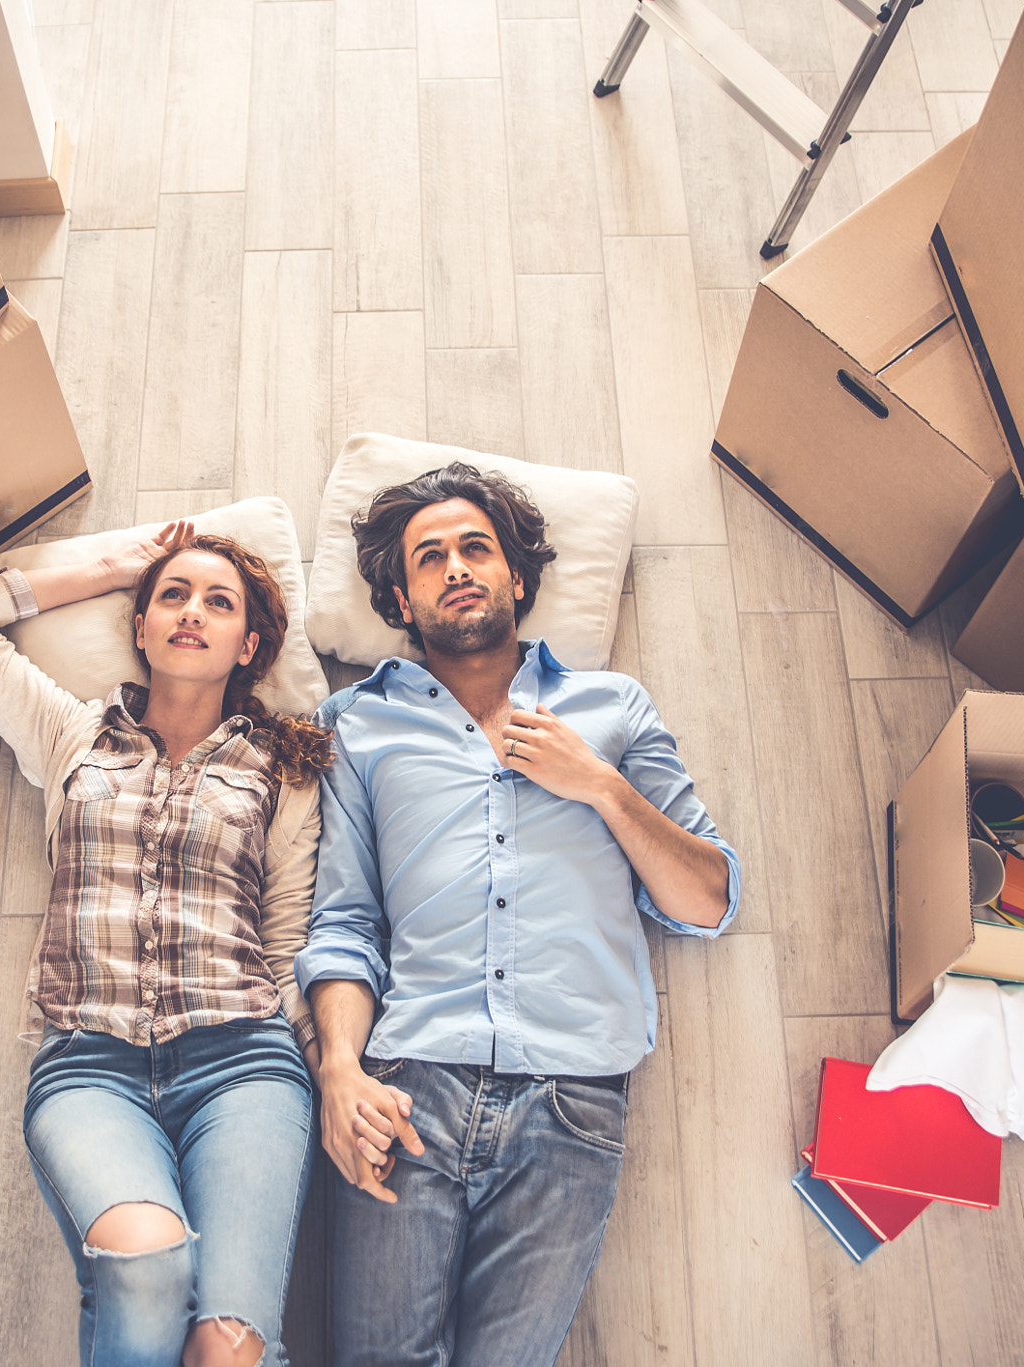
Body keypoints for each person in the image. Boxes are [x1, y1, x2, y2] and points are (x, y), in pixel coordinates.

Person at [295, 464, 741, 1366]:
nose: (457, 566)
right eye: (431, 557)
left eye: (476, 548)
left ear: (519, 579)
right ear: (401, 598)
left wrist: (603, 788)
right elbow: (343, 921)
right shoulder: (357, 723)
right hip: (407, 1086)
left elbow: (708, 901)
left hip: (574, 1097)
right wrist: (338, 1066)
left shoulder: (611, 708)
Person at [0, 521, 330, 1367]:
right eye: (171, 596)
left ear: (248, 643)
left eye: (219, 602)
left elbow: (286, 935)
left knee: (228, 1350)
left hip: (245, 1063)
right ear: (140, 626)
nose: (192, 611)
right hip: (88, 1063)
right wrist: (116, 568)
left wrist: (324, 1065)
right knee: (144, 1264)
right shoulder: (72, 734)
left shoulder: (283, 768)